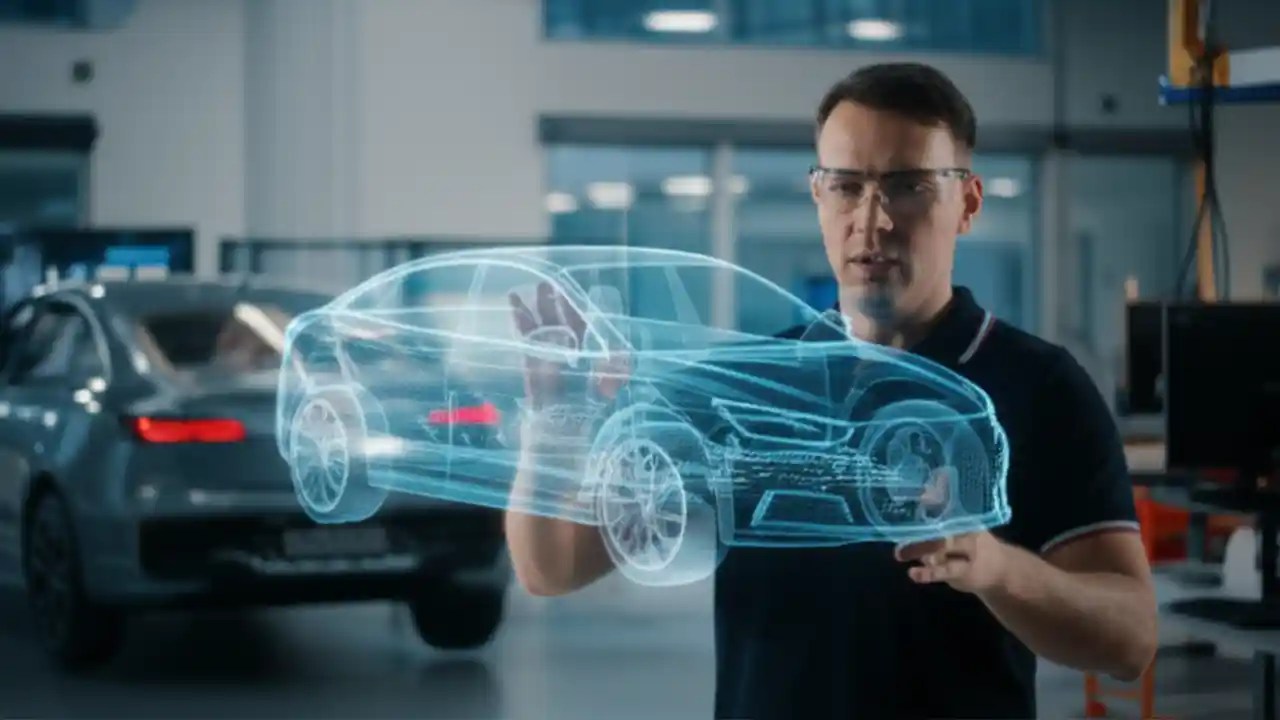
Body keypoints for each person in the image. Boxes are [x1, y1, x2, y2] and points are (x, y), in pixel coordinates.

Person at [504, 62, 1158, 719]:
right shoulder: (745, 385)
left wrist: (995, 570)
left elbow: (1130, 640)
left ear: (967, 202)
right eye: (847, 186)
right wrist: (557, 415)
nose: (872, 221)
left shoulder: (1039, 387)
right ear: (818, 196)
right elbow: (552, 566)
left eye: (907, 187)